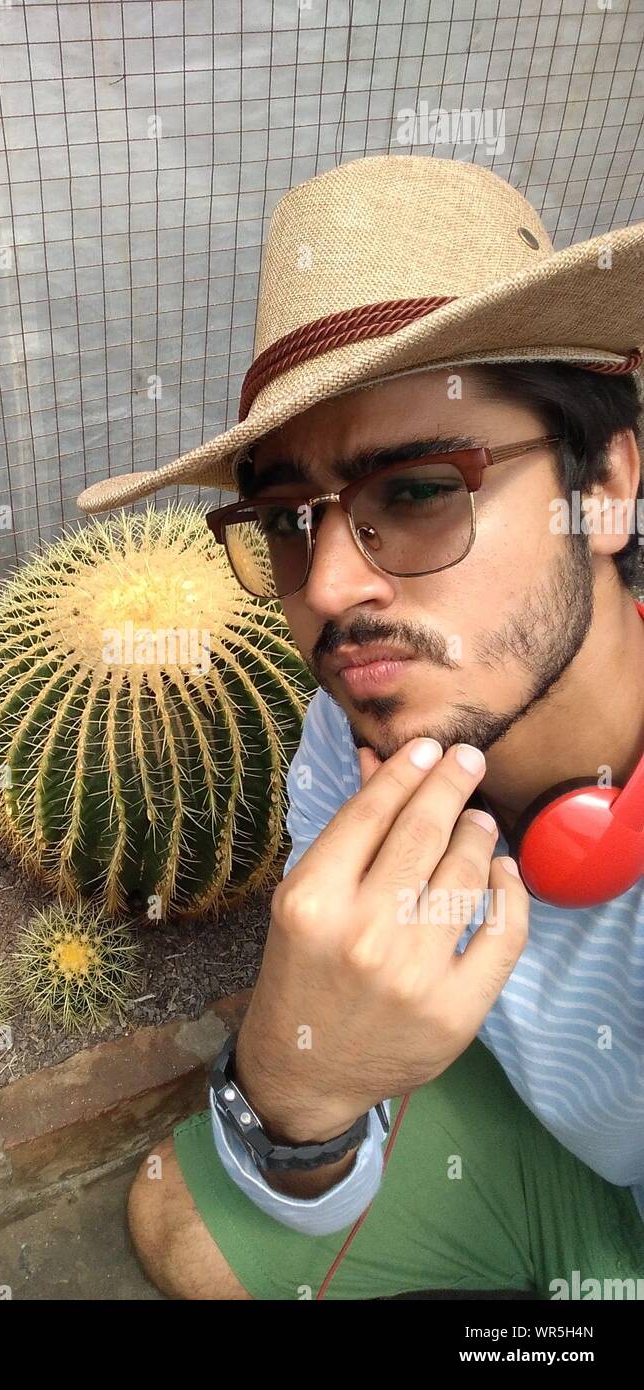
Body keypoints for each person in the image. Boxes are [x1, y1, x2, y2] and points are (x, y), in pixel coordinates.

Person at [77, 154, 644, 1301]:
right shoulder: (357, 732)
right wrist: (299, 1098)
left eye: (422, 486)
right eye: (288, 520)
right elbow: (306, 1138)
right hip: (549, 1140)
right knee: (180, 1219)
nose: (328, 585)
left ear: (610, 486)